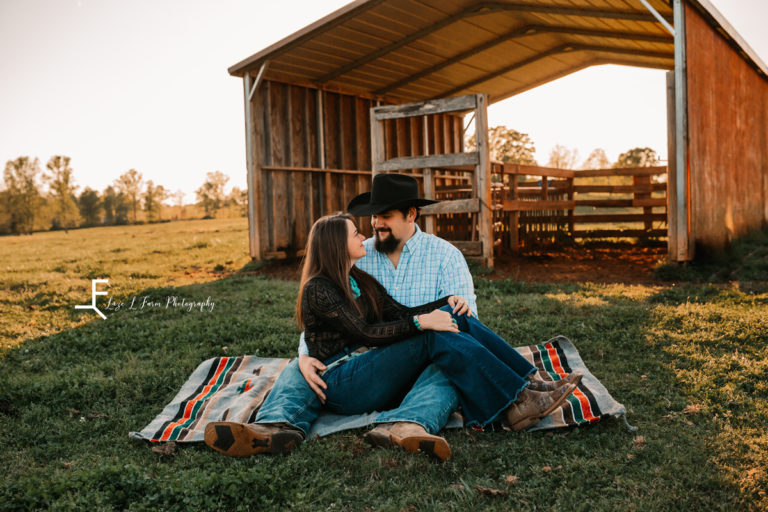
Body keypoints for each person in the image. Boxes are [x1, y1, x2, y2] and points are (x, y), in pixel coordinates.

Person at [205, 212, 579, 460]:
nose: (365, 234)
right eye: (356, 232)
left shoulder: (360, 279)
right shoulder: (319, 288)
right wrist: (423, 324)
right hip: (340, 380)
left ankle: (527, 383)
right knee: (431, 334)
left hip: (364, 372)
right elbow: (366, 332)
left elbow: (400, 312)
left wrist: (446, 305)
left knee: (453, 317)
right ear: (337, 244)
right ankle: (517, 399)